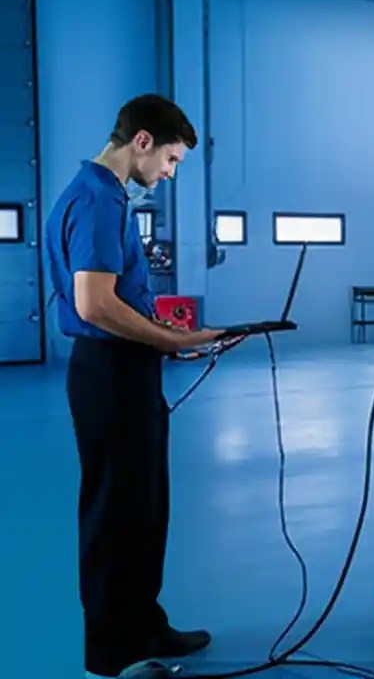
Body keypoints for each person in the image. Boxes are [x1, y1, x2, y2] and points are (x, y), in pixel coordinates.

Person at [46, 94, 224, 679]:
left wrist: (162, 333)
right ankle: (111, 649)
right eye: (171, 160)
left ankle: (144, 624)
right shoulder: (98, 199)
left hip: (121, 367)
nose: (170, 174)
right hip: (111, 371)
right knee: (115, 511)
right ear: (142, 141)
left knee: (142, 506)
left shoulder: (100, 195)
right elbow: (93, 303)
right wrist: (169, 341)